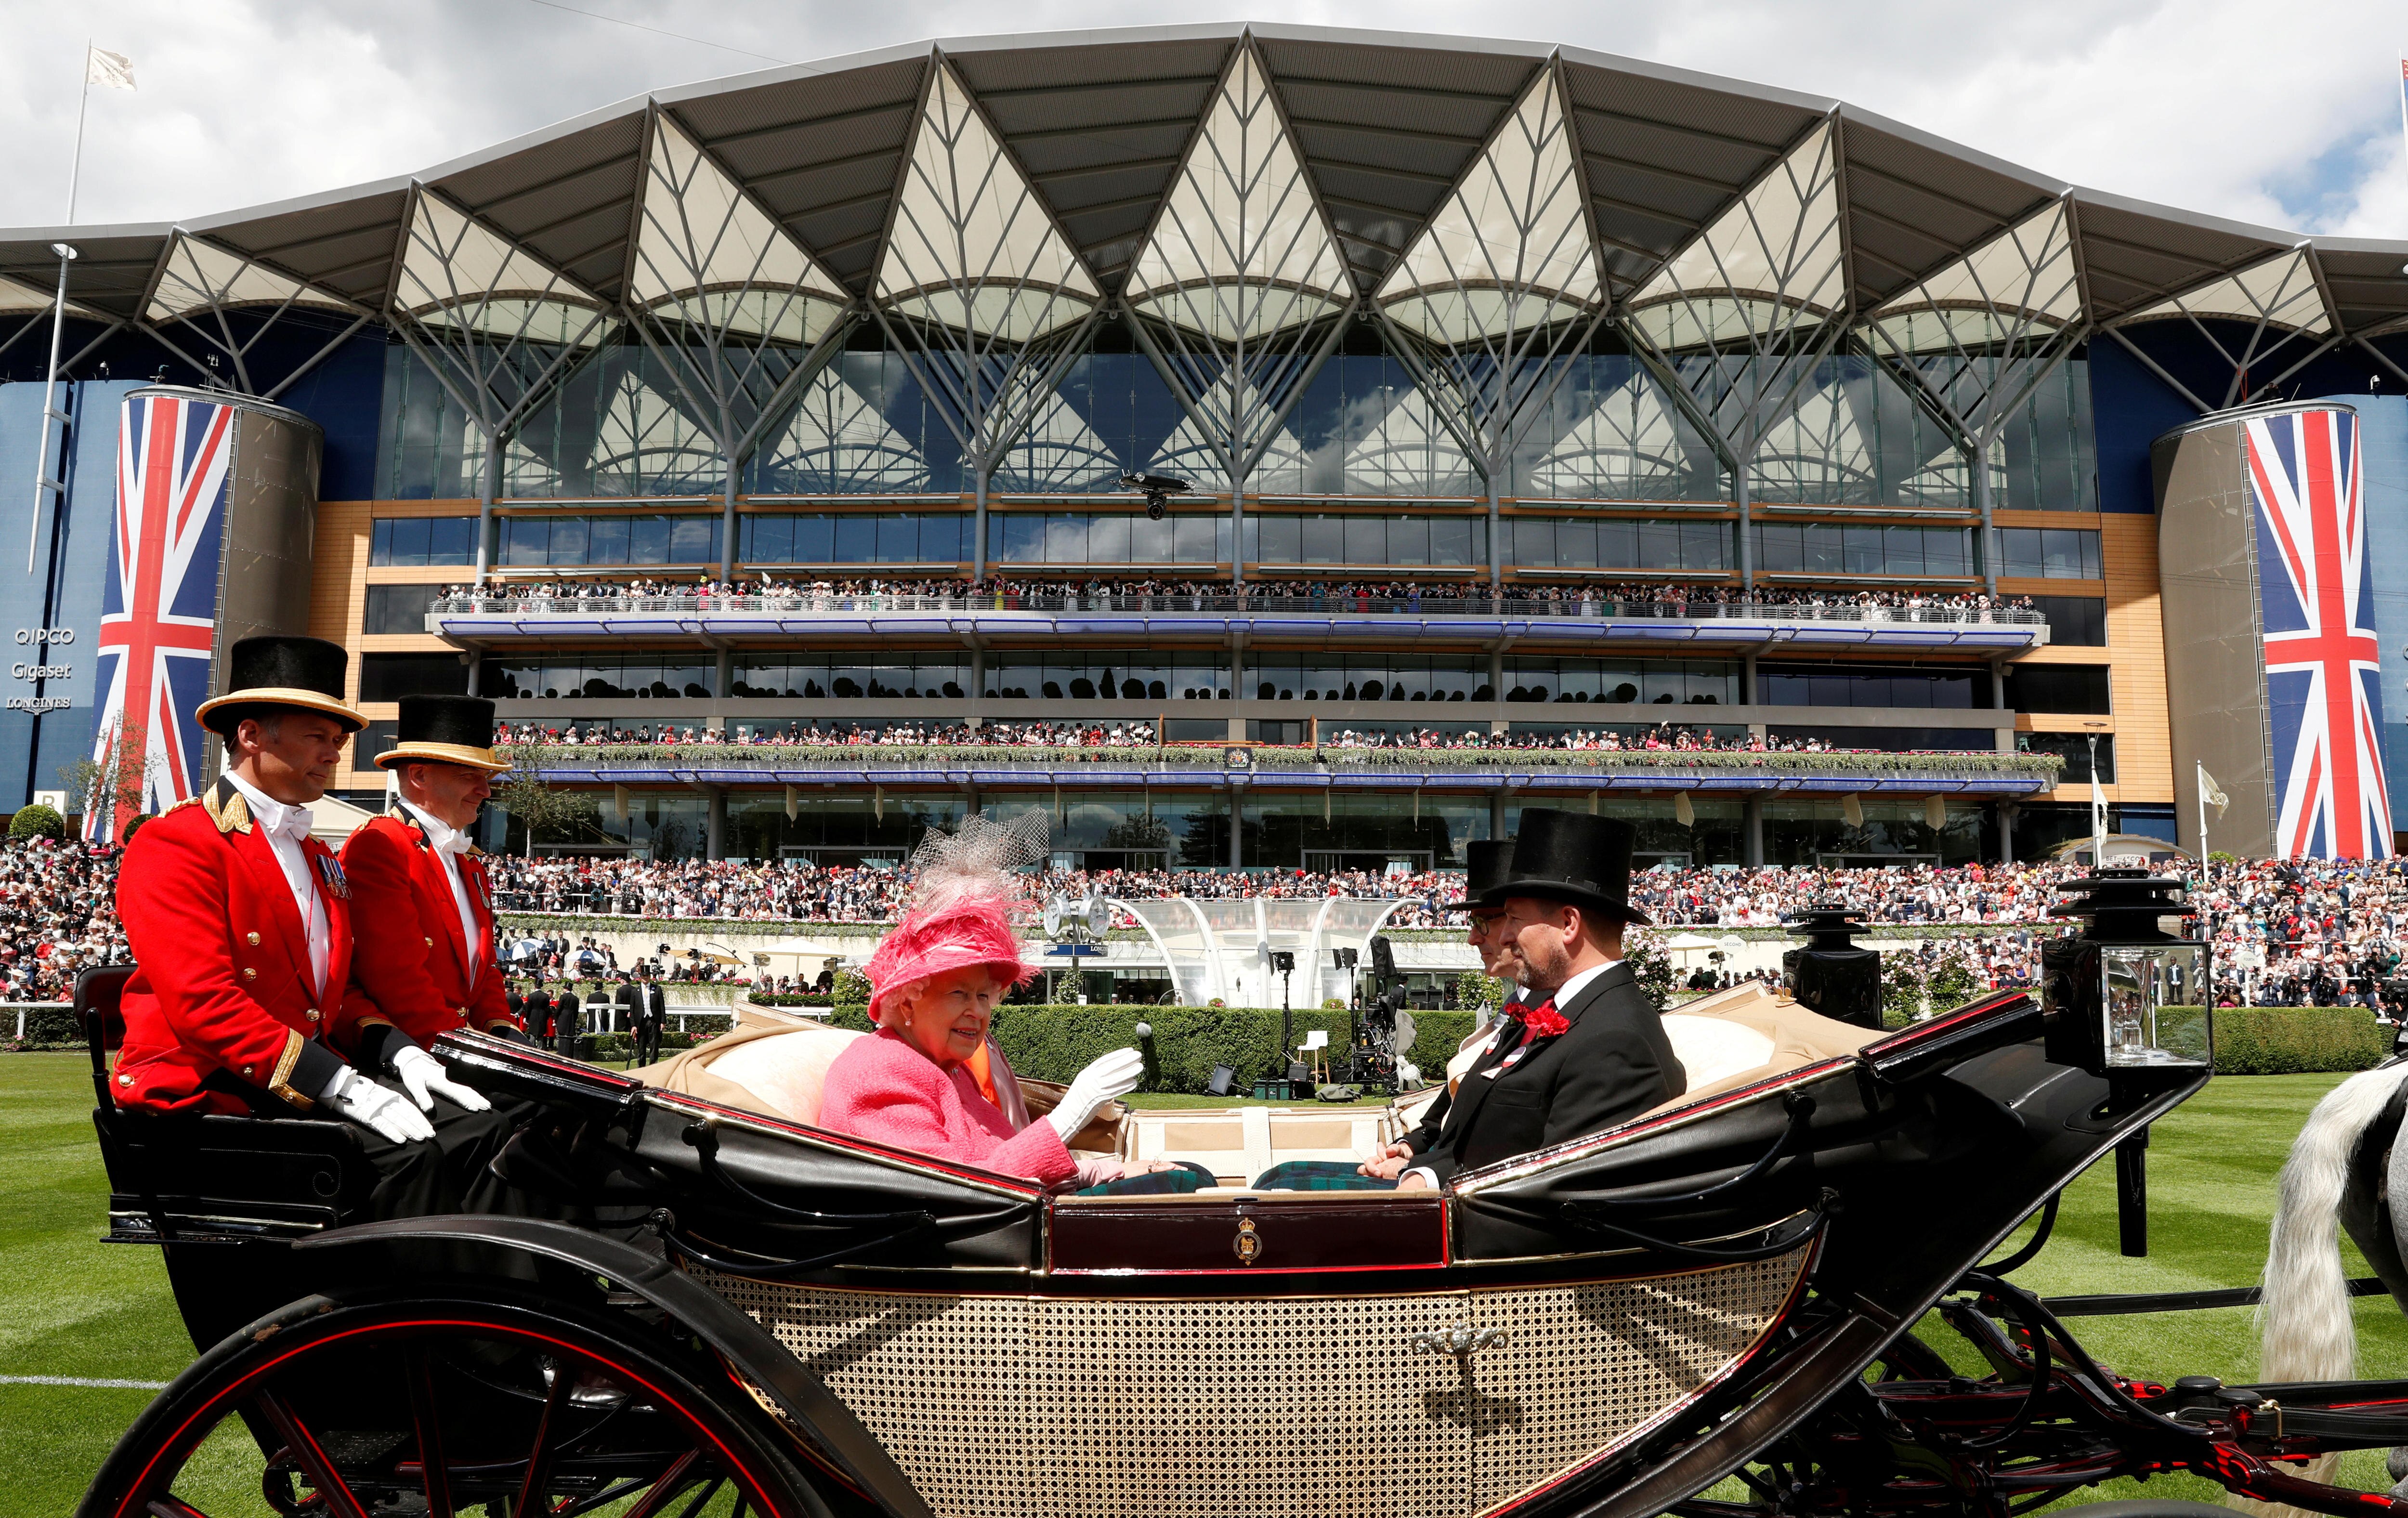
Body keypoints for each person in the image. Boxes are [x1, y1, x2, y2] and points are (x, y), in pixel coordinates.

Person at [110, 637, 529, 1343]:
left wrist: (397, 1053)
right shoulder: (177, 841)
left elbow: (335, 1002)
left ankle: (514, 1328)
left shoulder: (315, 856)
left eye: (337, 740)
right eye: (318, 738)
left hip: (284, 1085)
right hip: (211, 1096)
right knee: (414, 1157)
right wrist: (342, 1084)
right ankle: (458, 1355)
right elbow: (206, 1004)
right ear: (250, 736)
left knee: (491, 1129)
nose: (334, 755)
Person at [817, 813, 1207, 1195]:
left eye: (985, 996)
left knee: (1193, 1174)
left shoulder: (946, 1068)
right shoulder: (880, 1071)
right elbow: (959, 1189)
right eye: (960, 993)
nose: (979, 1011)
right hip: (974, 1246)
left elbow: (999, 1157)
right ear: (907, 1001)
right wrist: (1068, 1117)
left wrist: (1101, 1170)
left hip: (1012, 1225)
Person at [337, 695, 523, 1080]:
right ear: (419, 776)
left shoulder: (468, 860)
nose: (485, 791)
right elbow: (397, 980)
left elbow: (483, 970)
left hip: (451, 1048)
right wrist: (471, 1053)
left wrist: (503, 1032)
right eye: (470, 776)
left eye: (485, 779)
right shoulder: (381, 844)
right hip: (406, 1059)